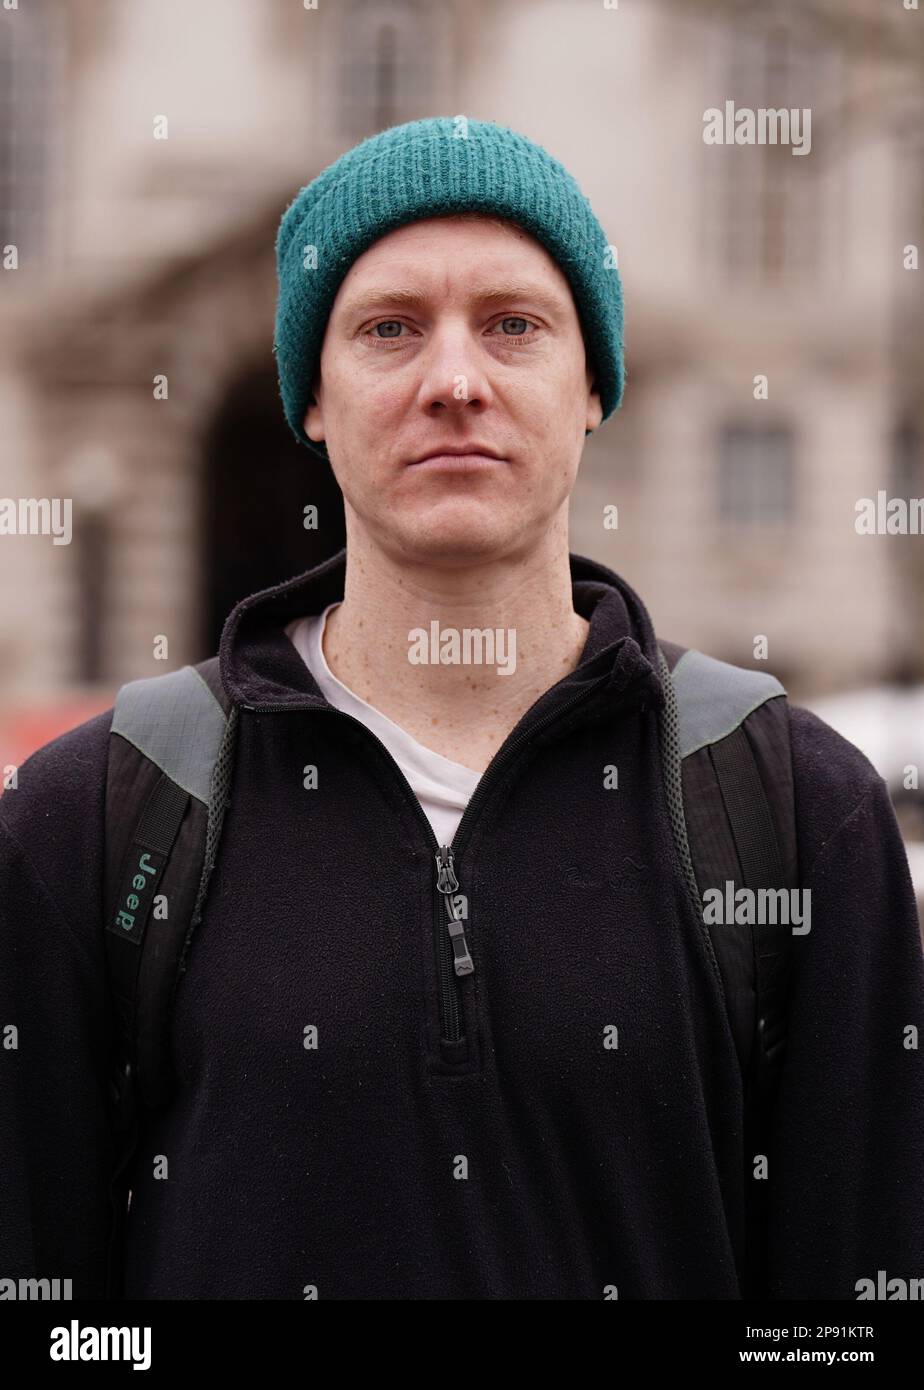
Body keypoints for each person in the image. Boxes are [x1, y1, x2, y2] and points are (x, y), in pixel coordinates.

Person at [1, 117, 922, 1301]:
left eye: (514, 325)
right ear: (313, 398)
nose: (454, 381)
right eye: (389, 329)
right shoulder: (94, 817)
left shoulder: (799, 811)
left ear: (593, 387)